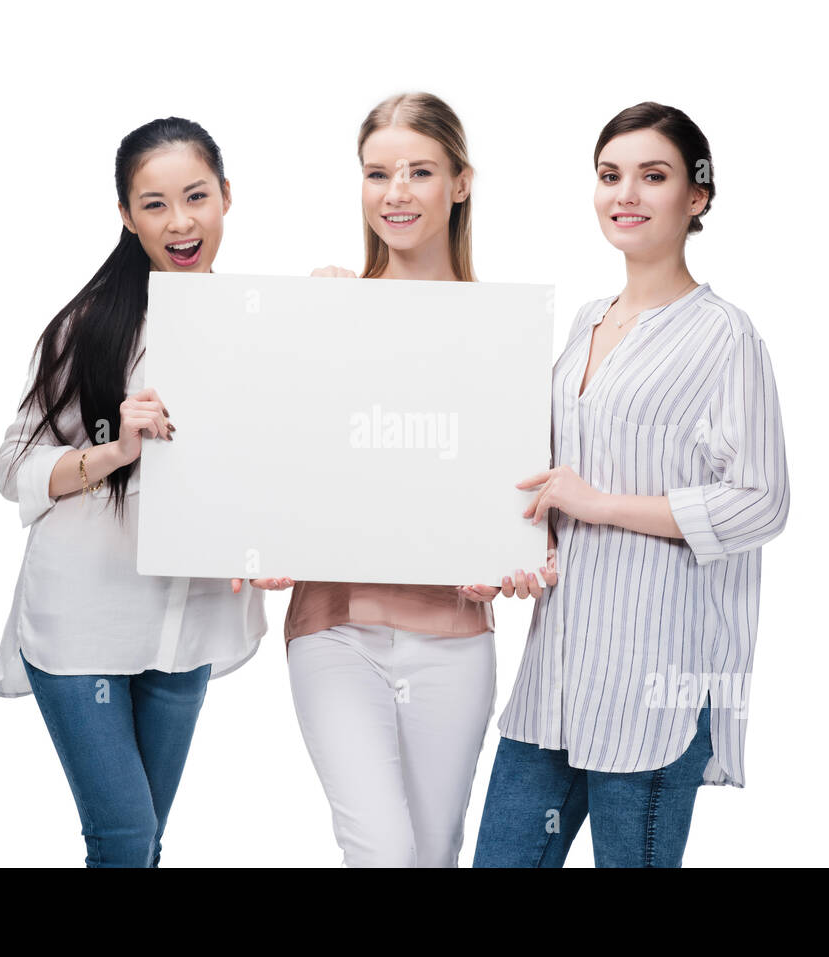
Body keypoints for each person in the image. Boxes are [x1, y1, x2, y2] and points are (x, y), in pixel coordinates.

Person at [470, 101, 790, 868]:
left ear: (697, 197)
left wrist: (597, 504)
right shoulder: (585, 320)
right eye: (611, 176)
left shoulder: (725, 335)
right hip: (556, 676)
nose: (626, 194)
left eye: (654, 176)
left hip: (655, 682)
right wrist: (525, 537)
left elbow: (761, 500)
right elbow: (551, 473)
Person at [257, 92, 535, 867]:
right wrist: (254, 538)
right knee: (380, 849)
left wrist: (513, 558)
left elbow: (510, 488)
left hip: (452, 634)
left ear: (461, 181)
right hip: (336, 626)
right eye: (378, 174)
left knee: (433, 853)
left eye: (419, 171)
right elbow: (276, 456)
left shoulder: (502, 333)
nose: (397, 192)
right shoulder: (327, 304)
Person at [0, 117, 266, 867]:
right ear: (125, 215)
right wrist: (115, 450)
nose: (180, 222)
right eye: (154, 204)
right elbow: (12, 465)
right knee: (124, 837)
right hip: (84, 620)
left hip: (191, 622)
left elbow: (280, 466)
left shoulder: (259, 327)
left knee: (144, 844)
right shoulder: (93, 325)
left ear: (227, 198)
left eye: (196, 196)